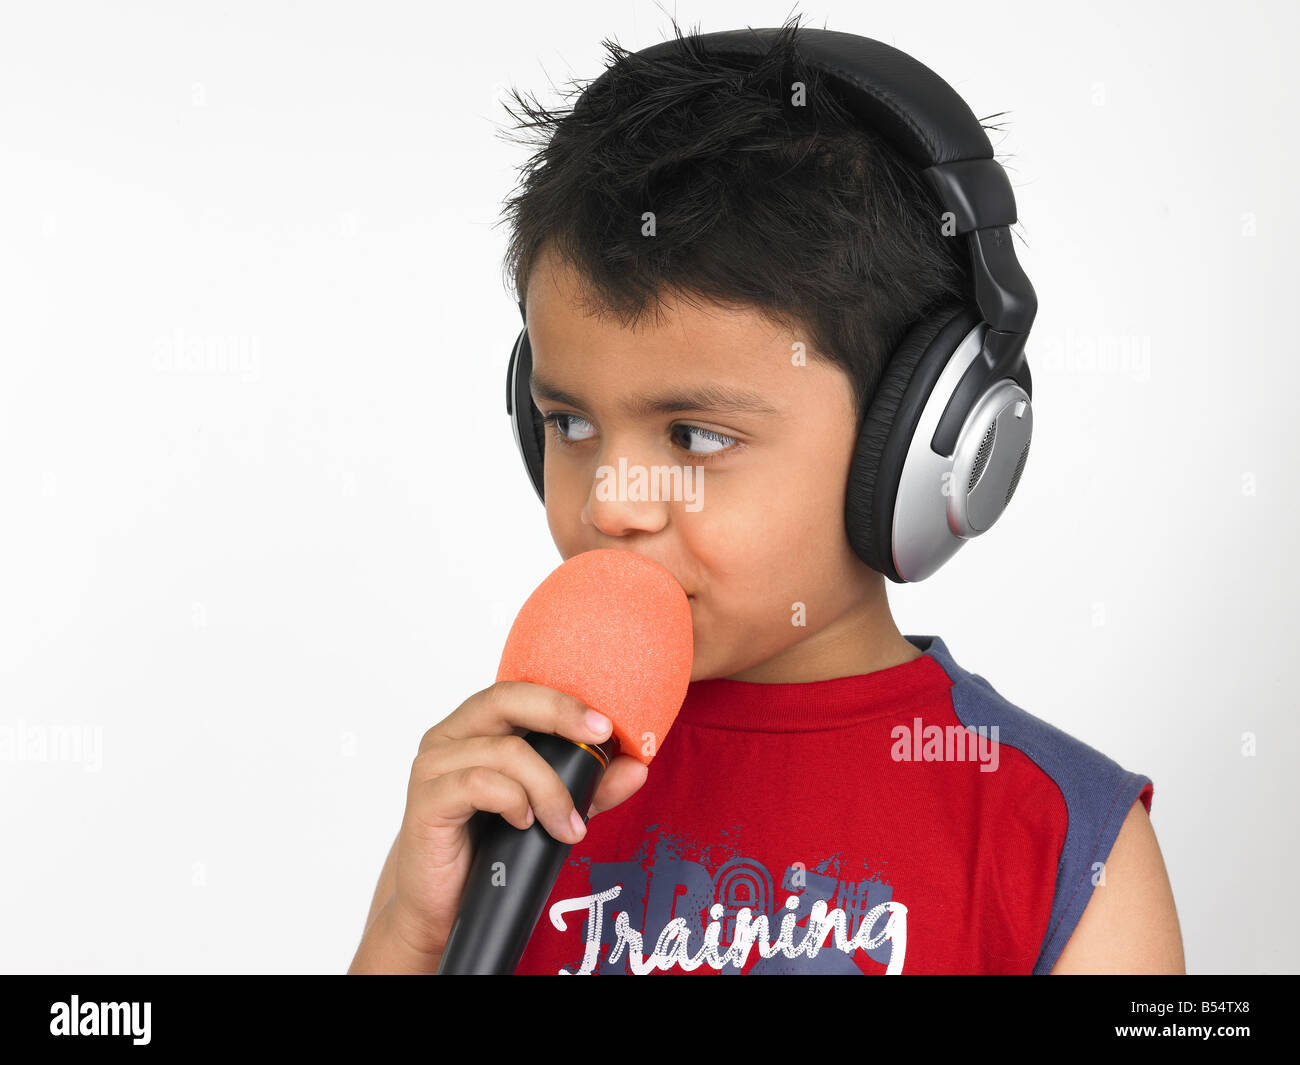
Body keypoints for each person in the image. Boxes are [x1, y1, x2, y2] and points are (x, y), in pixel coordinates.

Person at [348, 16, 1183, 975]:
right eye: (571, 423)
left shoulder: (1060, 834)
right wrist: (409, 930)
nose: (615, 503)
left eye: (698, 436)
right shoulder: (513, 802)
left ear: (910, 446)